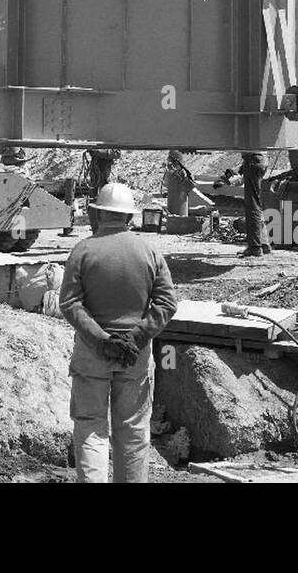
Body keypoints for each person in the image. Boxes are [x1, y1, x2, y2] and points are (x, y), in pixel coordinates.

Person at [59, 183, 178, 484]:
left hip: (91, 354)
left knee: (91, 426)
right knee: (134, 432)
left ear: (98, 213)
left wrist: (101, 340)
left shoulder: (82, 251)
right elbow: (167, 303)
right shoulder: (149, 251)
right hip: (134, 358)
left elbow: (70, 303)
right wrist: (136, 338)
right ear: (130, 217)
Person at [237, 151, 271, 257]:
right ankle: (264, 243)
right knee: (257, 203)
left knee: (252, 205)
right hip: (260, 159)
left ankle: (255, 247)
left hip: (253, 159)